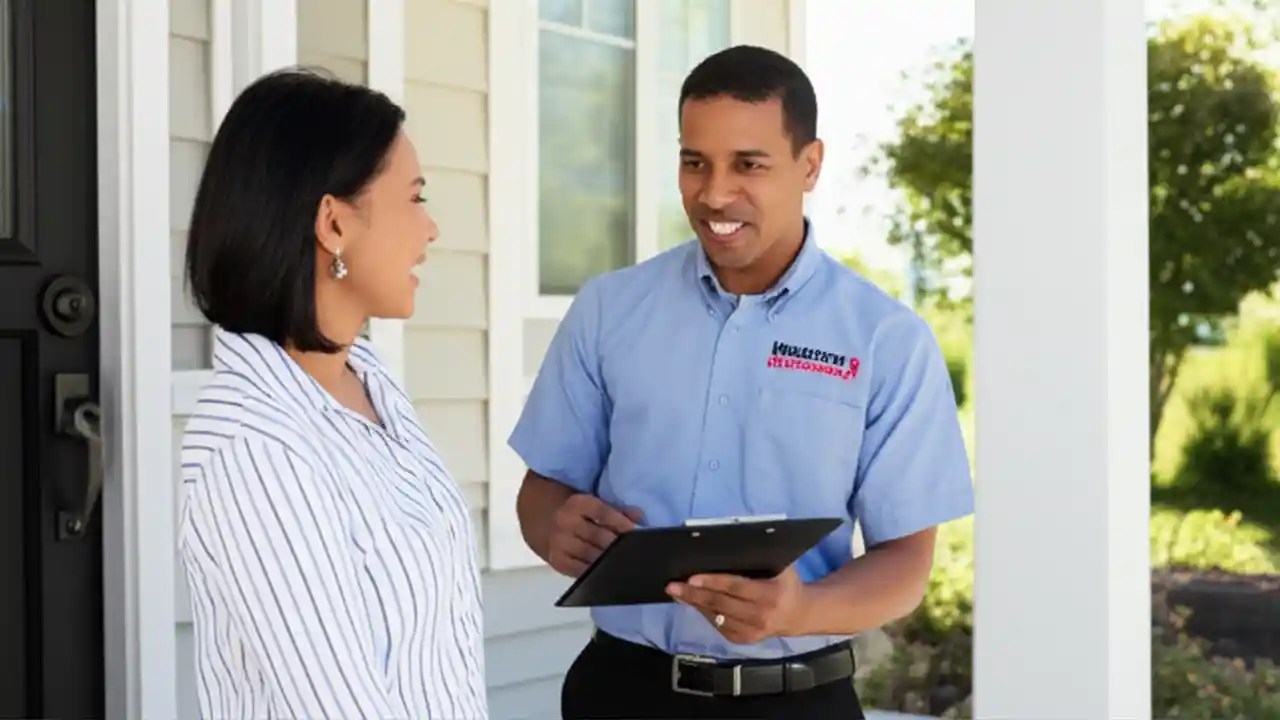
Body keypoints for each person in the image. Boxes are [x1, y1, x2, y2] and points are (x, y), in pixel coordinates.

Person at [510, 45, 975, 719]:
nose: (714, 193)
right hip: (620, 693)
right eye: (695, 162)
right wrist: (554, 524)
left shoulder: (885, 339)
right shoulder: (610, 309)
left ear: (809, 165)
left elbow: (905, 563)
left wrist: (801, 609)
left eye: (748, 165)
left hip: (799, 701)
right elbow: (541, 492)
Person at [177, 69, 487, 719]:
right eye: (414, 198)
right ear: (333, 223)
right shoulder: (255, 449)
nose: (431, 229)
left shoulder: (369, 382)